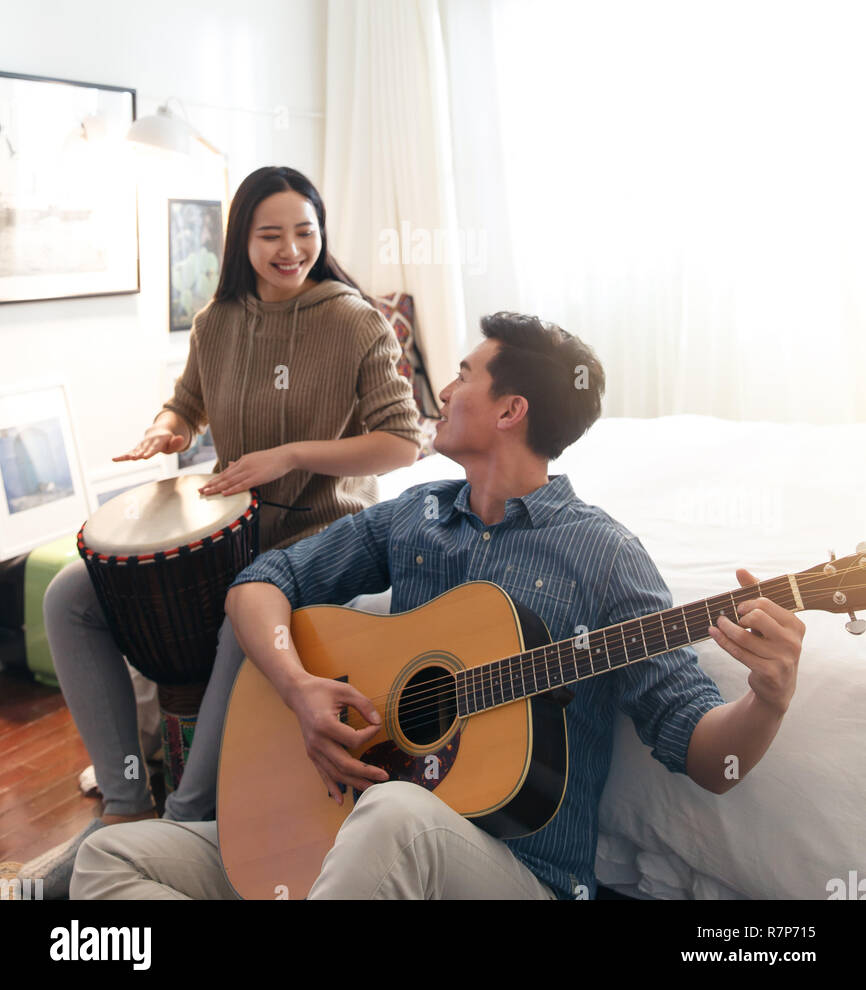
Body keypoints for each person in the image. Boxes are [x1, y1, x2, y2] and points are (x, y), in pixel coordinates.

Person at [71, 312, 805, 901]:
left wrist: (767, 700)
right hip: (342, 835)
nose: (442, 392)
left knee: (397, 816)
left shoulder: (604, 557)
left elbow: (706, 756)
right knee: (111, 856)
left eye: (462, 375)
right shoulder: (416, 515)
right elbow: (261, 582)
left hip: (510, 873)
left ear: (511, 410)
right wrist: (299, 690)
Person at [29, 166, 421, 896]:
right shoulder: (218, 322)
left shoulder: (354, 321)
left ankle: (183, 820)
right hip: (228, 526)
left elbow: (403, 441)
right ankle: (122, 803)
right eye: (271, 233)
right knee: (69, 597)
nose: (290, 248)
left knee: (244, 613)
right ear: (242, 240)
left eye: (305, 231)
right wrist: (164, 430)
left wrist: (295, 454)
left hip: (316, 530)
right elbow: (186, 404)